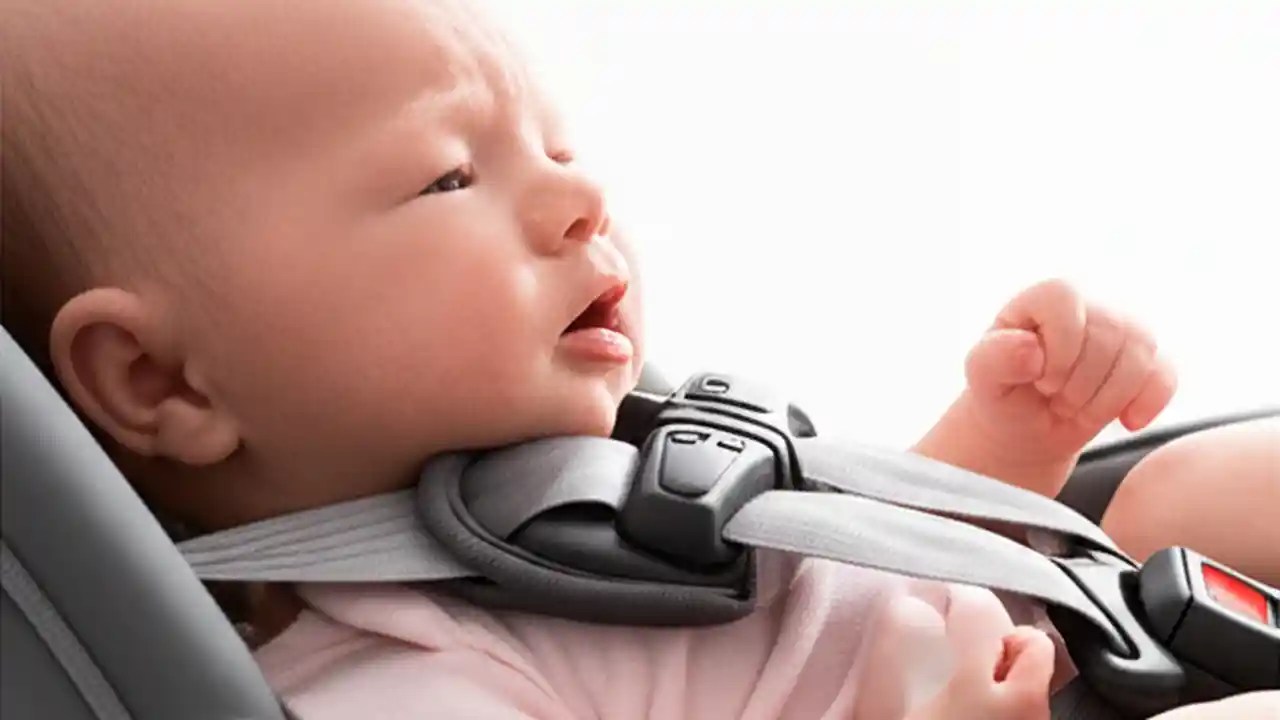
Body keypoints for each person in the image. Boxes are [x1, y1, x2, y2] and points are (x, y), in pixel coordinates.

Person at [3, 0, 1275, 716]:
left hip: (1071, 635)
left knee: (1192, 494)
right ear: (161, 382)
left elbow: (846, 595)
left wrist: (1005, 443)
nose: (578, 200)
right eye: (448, 172)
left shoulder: (606, 497)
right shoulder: (399, 678)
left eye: (553, 146)